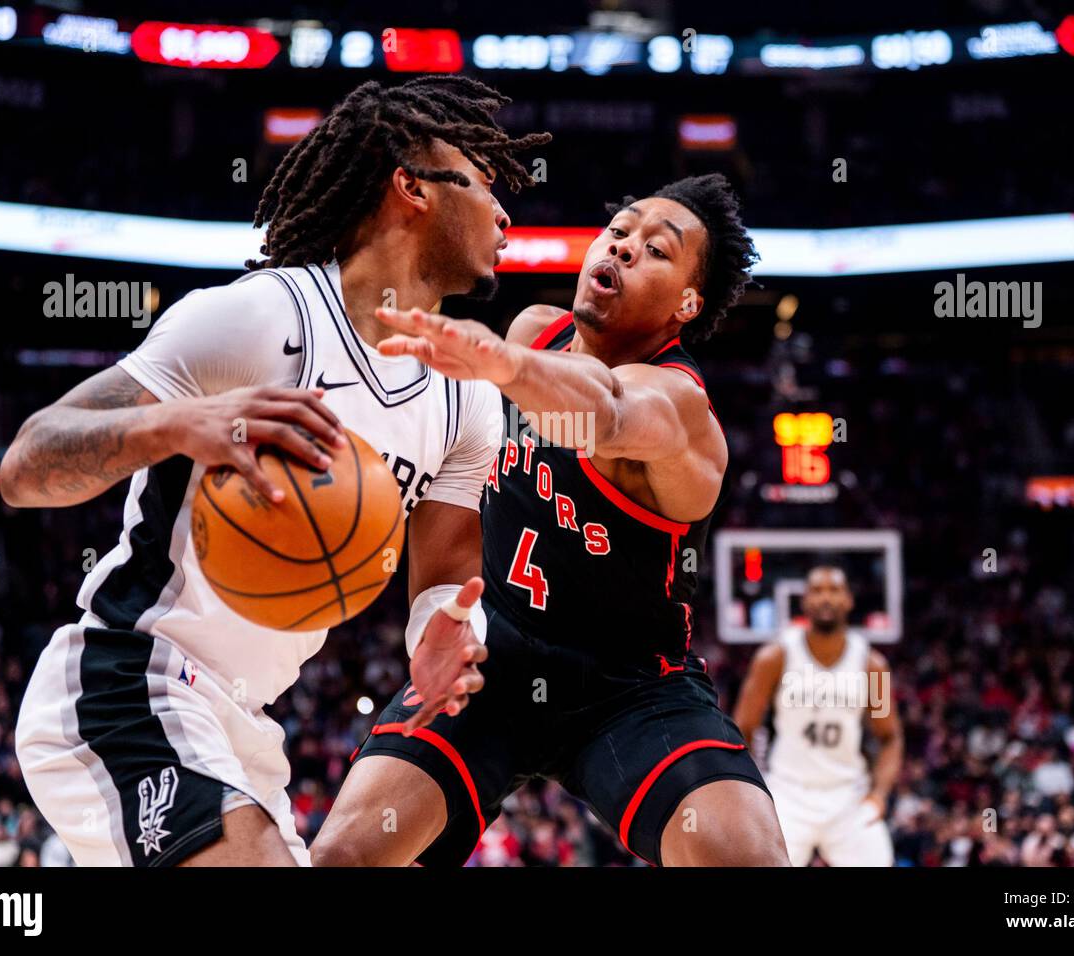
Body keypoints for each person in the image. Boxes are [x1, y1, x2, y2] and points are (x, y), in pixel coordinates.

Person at [3, 76, 548, 866]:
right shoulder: (260, 320)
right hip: (128, 680)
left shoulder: (468, 400)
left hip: (245, 721)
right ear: (412, 187)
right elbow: (26, 465)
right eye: (484, 184)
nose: (505, 215)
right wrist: (181, 422)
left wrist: (436, 635)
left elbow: (448, 569)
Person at [313, 174, 789, 867]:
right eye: (619, 232)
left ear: (689, 302)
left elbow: (609, 414)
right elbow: (464, 493)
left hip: (633, 688)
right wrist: (443, 615)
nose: (623, 249)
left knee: (751, 860)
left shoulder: (681, 406)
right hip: (495, 660)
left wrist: (503, 366)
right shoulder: (536, 331)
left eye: (656, 250)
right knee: (343, 855)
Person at [733, 566, 902, 866]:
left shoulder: (871, 666)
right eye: (818, 590)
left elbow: (889, 738)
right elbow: (743, 727)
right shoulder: (775, 658)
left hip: (849, 796)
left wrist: (878, 796)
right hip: (787, 792)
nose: (826, 598)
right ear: (805, 601)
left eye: (834, 590)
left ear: (849, 600)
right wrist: (754, 793)